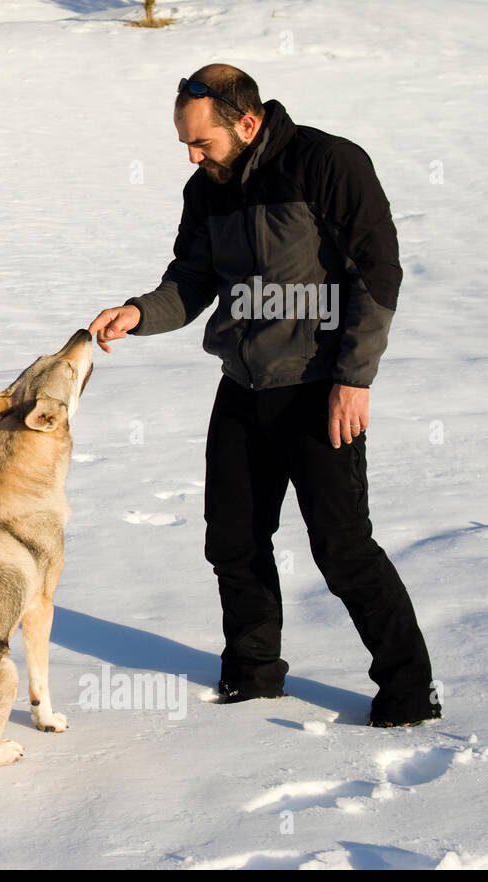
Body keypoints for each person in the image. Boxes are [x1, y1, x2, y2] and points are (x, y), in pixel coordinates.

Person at [88, 64, 439, 727]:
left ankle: (409, 690)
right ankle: (252, 679)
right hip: (243, 388)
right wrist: (140, 312)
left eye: (203, 143)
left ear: (246, 123)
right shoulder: (209, 190)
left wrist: (353, 379)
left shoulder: (327, 164)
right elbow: (192, 279)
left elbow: (378, 271)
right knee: (234, 541)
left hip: (319, 390)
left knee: (342, 547)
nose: (194, 158)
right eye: (186, 146)